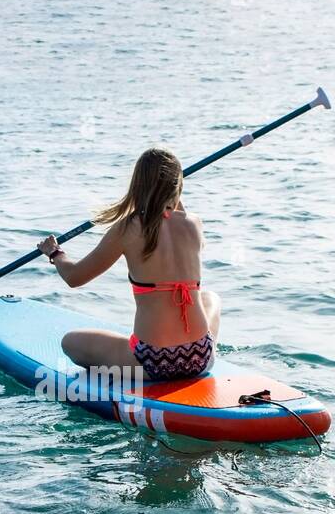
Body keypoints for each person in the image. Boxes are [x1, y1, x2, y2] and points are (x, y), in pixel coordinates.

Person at [37, 147, 220, 382]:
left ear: (137, 185)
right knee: (210, 298)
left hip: (152, 363)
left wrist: (55, 253)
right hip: (201, 358)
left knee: (69, 342)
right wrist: (173, 190)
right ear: (178, 186)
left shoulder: (126, 229)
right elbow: (173, 214)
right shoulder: (194, 225)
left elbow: (74, 277)